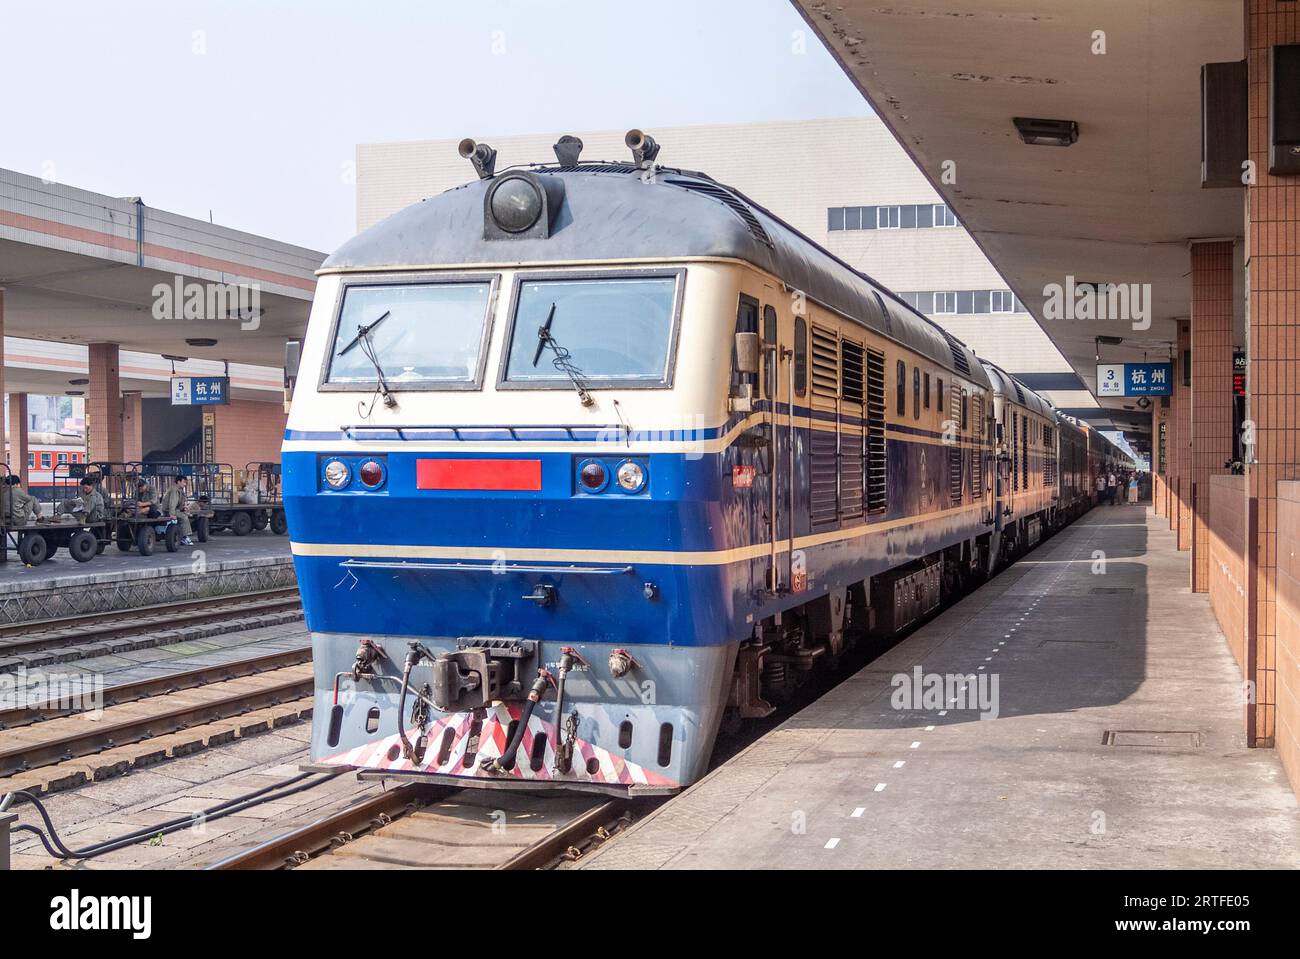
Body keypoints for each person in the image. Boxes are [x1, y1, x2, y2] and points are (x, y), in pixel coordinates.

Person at [161, 476, 195, 546]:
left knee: (186, 514)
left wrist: (183, 508)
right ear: (178, 482)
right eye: (184, 482)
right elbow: (172, 503)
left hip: (174, 509)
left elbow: (179, 503)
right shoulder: (174, 490)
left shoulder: (179, 490)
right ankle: (184, 537)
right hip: (168, 510)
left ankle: (181, 534)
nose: (185, 484)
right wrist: (172, 514)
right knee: (183, 517)